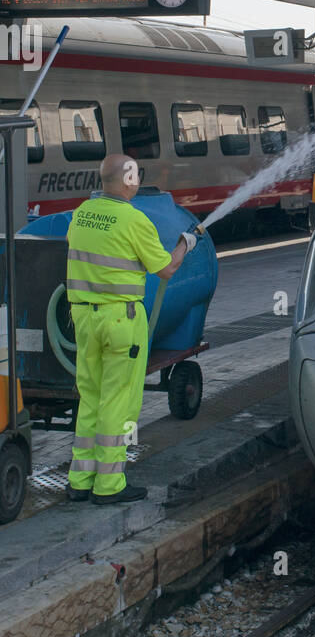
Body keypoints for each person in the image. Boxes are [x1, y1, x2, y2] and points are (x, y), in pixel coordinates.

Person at [65, 154, 199, 505]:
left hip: (83, 317)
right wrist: (186, 244)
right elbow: (166, 269)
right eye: (137, 173)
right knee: (118, 402)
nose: (139, 178)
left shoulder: (81, 213)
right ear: (127, 179)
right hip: (120, 321)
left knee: (90, 397)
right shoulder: (133, 219)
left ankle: (80, 479)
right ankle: (109, 486)